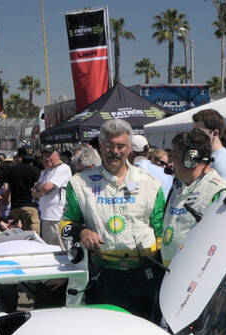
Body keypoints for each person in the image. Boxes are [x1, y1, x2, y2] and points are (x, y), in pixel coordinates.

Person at [59, 117, 165, 320]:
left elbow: (160, 231)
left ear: (129, 149)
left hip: (144, 275)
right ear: (100, 146)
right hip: (103, 276)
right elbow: (65, 225)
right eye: (109, 145)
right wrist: (82, 231)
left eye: (120, 146)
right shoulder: (80, 183)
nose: (114, 151)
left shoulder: (150, 183)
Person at [159, 130, 226, 266]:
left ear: (191, 159)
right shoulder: (178, 187)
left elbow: (223, 242)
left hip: (196, 272)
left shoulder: (218, 191)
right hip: (172, 271)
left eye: (174, 157)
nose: (170, 163)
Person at [191, 108, 226, 200]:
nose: (194, 136)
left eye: (199, 132)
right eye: (194, 132)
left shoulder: (220, 161)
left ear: (215, 133)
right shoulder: (215, 157)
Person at [33, 146, 73, 245]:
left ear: (57, 155)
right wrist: (42, 188)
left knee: (59, 248)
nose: (46, 158)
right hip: (46, 217)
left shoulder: (63, 168)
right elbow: (33, 193)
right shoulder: (46, 171)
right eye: (44, 156)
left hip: (57, 217)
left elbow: (46, 188)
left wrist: (39, 186)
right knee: (49, 248)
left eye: (48, 155)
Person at [1, 150, 41, 233]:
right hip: (30, 206)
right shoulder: (35, 170)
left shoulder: (12, 169)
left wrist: (6, 200)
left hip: (15, 207)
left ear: (21, 157)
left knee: (16, 235)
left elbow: (7, 189)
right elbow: (37, 187)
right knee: (33, 235)